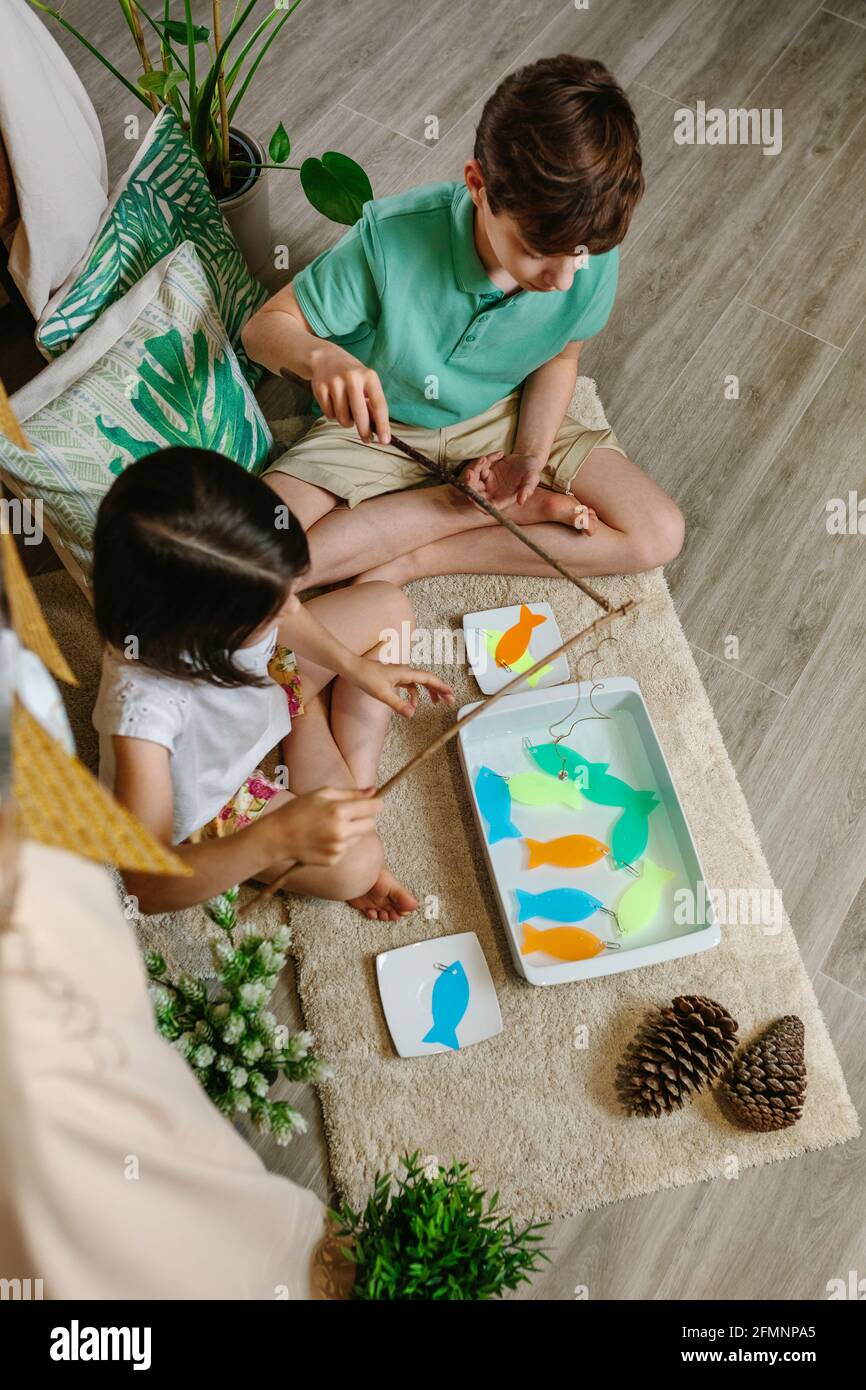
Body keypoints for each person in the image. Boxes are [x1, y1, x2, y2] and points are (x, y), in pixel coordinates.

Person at [241, 54, 685, 590]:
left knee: (658, 533)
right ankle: (457, 506)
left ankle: (417, 559)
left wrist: (528, 457)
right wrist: (321, 357)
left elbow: (561, 356)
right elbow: (263, 330)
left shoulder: (584, 248)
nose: (565, 279)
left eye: (580, 256)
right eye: (538, 251)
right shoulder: (394, 240)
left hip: (501, 415)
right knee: (249, 558)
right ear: (478, 184)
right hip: (377, 430)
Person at [90, 449, 453, 922]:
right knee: (359, 867)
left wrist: (354, 667)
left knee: (389, 608)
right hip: (217, 796)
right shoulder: (143, 714)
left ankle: (314, 734)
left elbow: (289, 612)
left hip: (260, 693)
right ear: (202, 629)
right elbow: (147, 885)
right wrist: (277, 838)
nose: (291, 607)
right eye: (271, 607)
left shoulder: (226, 594)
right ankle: (307, 725)